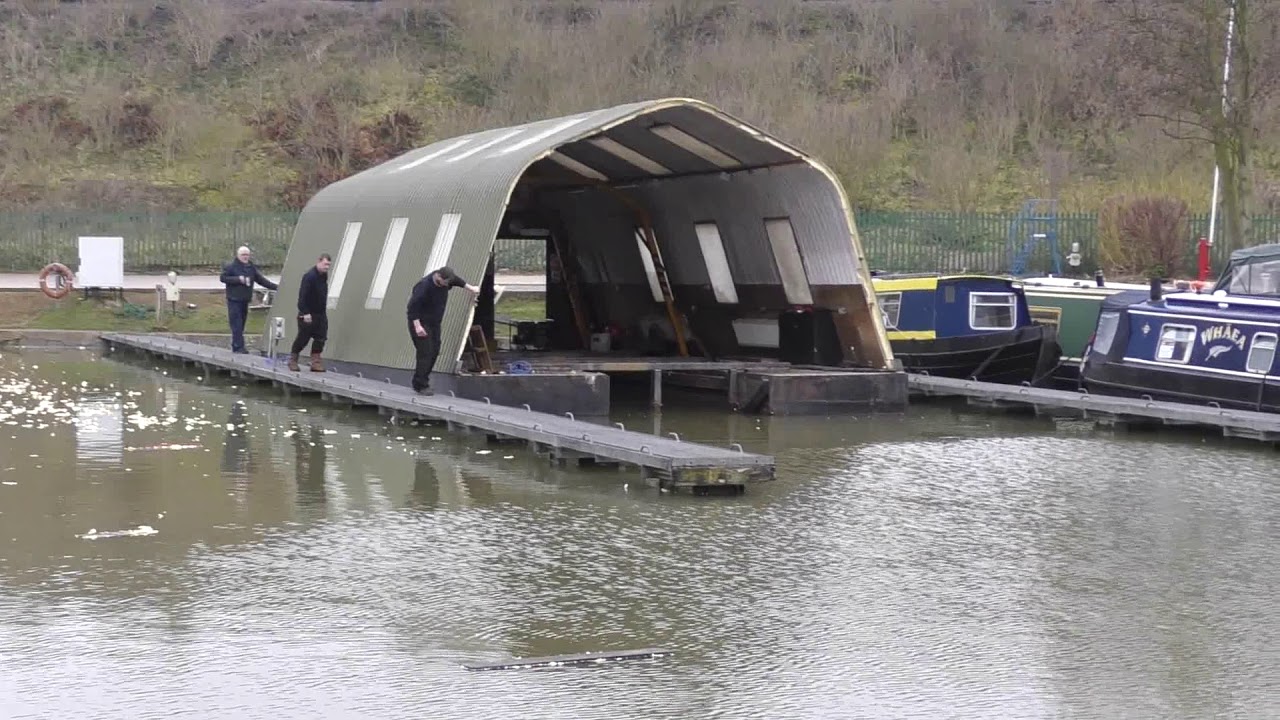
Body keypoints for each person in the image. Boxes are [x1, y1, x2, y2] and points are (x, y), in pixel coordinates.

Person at [405, 266, 479, 395]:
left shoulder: (447, 278)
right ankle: (420, 385)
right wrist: (417, 327)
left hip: (434, 323)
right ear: (438, 277)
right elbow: (412, 308)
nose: (447, 285)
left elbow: (457, 281)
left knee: (435, 350)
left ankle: (422, 380)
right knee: (425, 352)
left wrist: (471, 288)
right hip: (420, 323)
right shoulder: (424, 287)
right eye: (445, 282)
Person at [219, 246, 278, 354]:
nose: (245, 257)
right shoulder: (231, 267)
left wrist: (276, 287)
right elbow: (223, 278)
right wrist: (238, 279)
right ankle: (238, 348)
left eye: (247, 255)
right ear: (238, 255)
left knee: (242, 324)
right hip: (234, 299)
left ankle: (237, 345)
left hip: (245, 299)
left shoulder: (251, 267)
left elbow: (261, 280)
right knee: (236, 323)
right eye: (243, 255)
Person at [288, 253, 332, 372]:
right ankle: (293, 359)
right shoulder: (309, 276)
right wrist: (305, 312)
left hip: (320, 313)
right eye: (325, 264)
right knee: (303, 338)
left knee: (321, 338)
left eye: (328, 265)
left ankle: (315, 362)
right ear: (318, 262)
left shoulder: (324, 276)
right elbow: (302, 297)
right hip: (307, 313)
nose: (326, 267)